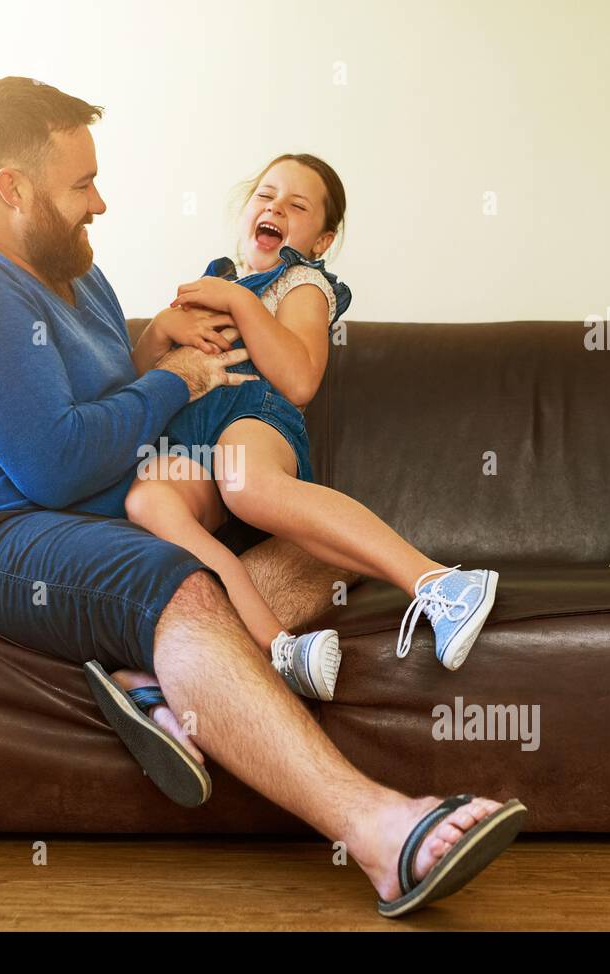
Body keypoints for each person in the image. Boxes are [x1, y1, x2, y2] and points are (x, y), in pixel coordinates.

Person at [0, 76, 525, 917]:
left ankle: (154, 677)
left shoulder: (79, 275)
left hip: (71, 518)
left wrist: (152, 349)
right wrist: (177, 381)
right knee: (181, 587)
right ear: (12, 188)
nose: (99, 202)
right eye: (81, 185)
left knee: (326, 551)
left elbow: (101, 397)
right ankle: (382, 831)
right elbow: (58, 464)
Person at [121, 153, 500, 707]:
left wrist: (240, 302)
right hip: (186, 438)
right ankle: (278, 648)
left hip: (252, 414)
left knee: (246, 481)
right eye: (265, 195)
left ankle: (440, 582)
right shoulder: (212, 281)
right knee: (147, 499)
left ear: (321, 241)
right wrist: (160, 331)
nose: (275, 207)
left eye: (296, 205)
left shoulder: (301, 283)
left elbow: (299, 379)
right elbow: (137, 391)